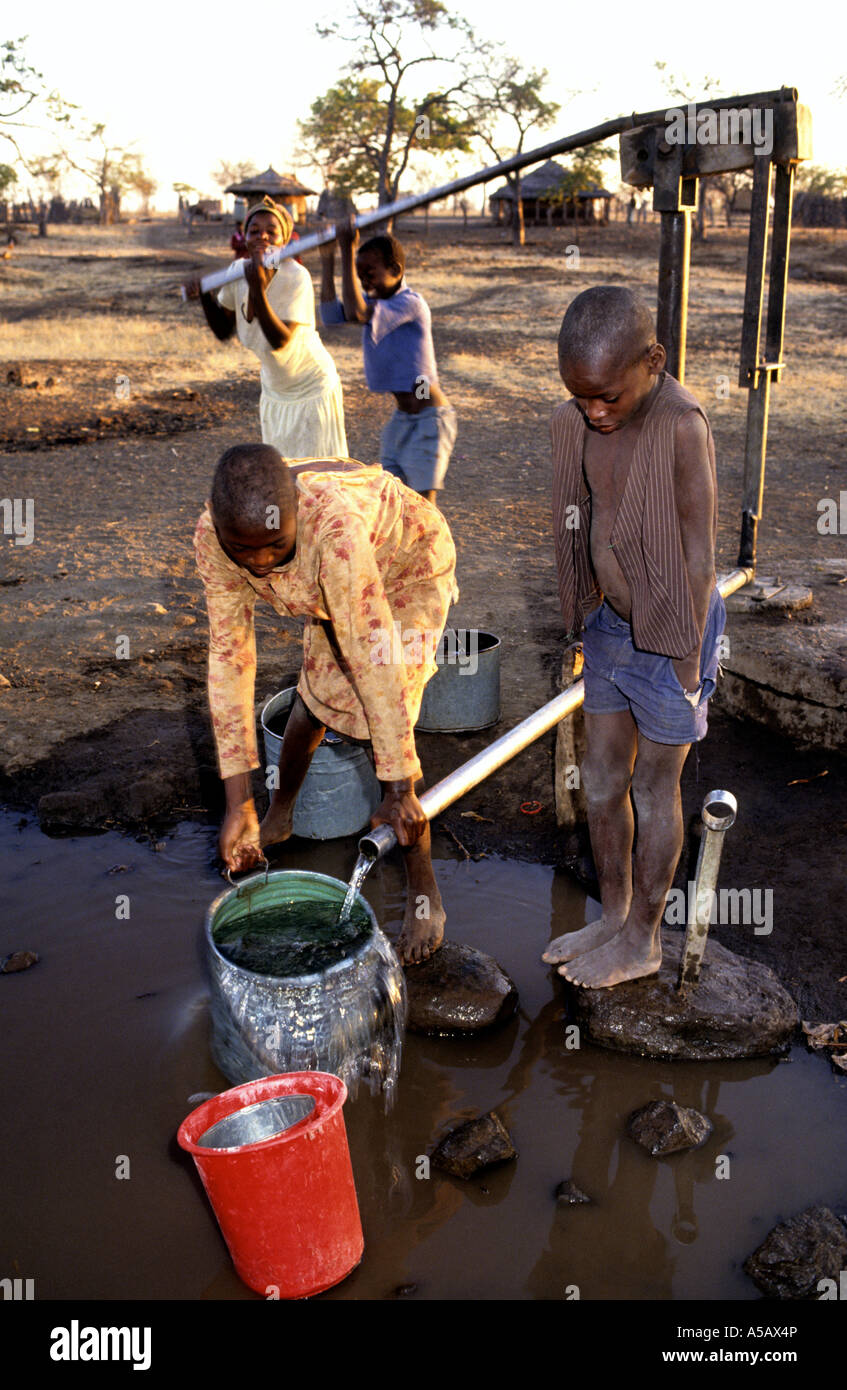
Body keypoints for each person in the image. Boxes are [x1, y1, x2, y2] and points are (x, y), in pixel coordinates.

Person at [194, 442, 457, 965]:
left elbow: (371, 654)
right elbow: (230, 660)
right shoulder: (211, 539)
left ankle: (426, 893)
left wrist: (397, 783)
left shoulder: (330, 531)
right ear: (218, 528)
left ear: (295, 511)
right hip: (337, 579)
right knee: (317, 693)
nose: (262, 564)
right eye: (242, 550)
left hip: (405, 563)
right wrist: (237, 803)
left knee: (381, 709)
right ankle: (277, 816)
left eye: (274, 545)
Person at [543, 285, 725, 990]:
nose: (594, 412)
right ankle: (613, 914)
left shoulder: (680, 424)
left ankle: (643, 939)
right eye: (579, 397)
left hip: (670, 629)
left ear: (653, 361)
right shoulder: (580, 419)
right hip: (608, 626)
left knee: (654, 788)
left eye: (607, 398)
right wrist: (580, 612)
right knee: (598, 780)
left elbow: (699, 553)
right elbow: (579, 517)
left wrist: (684, 662)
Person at [182, 196, 347, 459]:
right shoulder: (238, 271)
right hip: (275, 392)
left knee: (316, 479)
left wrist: (257, 288)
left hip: (311, 388)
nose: (263, 237)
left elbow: (279, 341)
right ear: (244, 237)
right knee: (282, 478)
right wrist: (204, 296)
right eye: (254, 231)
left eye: (272, 232)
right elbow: (224, 331)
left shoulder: (296, 276)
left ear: (285, 240)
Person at [319, 222, 455, 504]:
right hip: (402, 419)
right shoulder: (374, 302)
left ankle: (432, 548)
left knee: (422, 505)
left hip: (429, 419)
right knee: (392, 500)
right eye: (359, 277)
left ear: (396, 270)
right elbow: (330, 315)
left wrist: (347, 249)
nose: (364, 283)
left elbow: (356, 311)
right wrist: (327, 258)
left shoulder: (410, 303)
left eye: (369, 274)